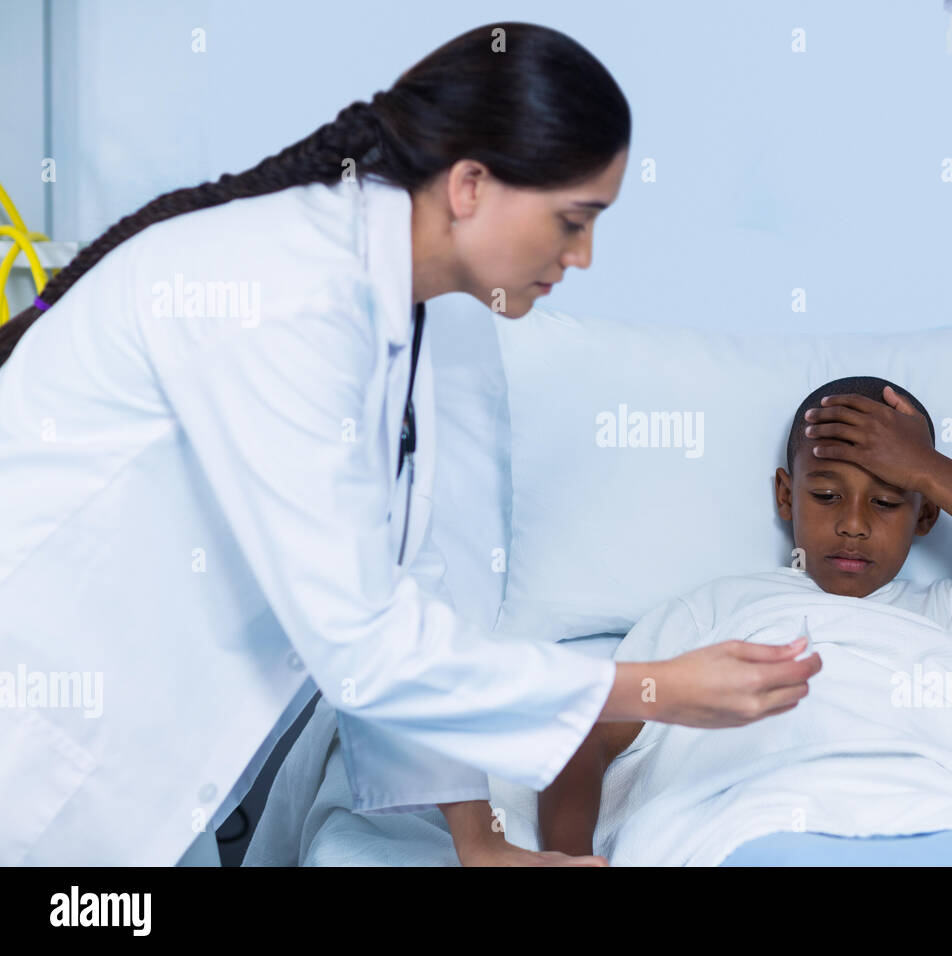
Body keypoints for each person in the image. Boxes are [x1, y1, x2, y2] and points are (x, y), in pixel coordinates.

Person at [0, 22, 821, 866]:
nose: (581, 256)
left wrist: (479, 839)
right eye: (573, 220)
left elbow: (398, 591)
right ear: (470, 184)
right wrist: (655, 688)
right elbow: (362, 641)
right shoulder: (282, 296)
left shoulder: (395, 316)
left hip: (123, 782)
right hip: (34, 755)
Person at [538, 375, 952, 864]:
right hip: (761, 820)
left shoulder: (949, 613)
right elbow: (588, 735)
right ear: (786, 497)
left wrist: (928, 470)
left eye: (888, 501)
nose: (853, 525)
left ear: (926, 517)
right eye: (825, 497)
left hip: (947, 814)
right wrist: (566, 858)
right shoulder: (718, 608)